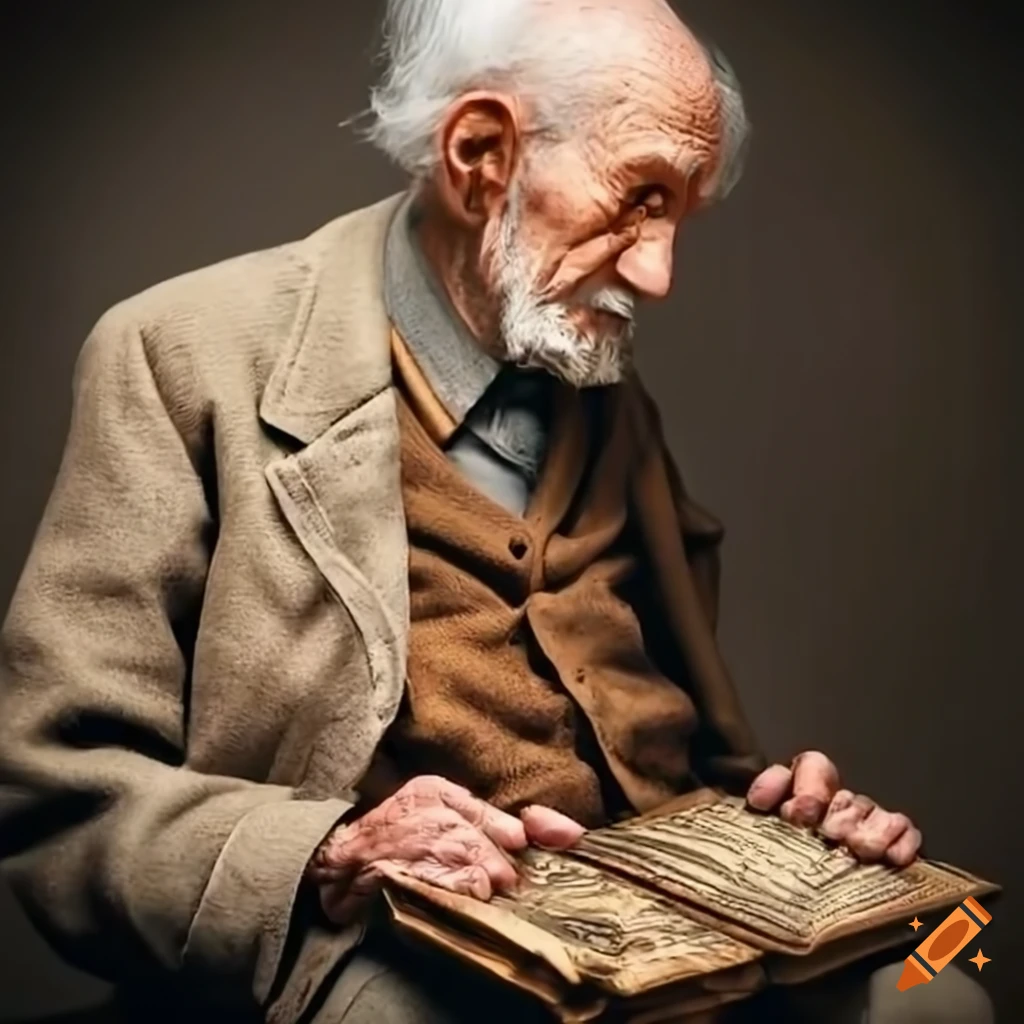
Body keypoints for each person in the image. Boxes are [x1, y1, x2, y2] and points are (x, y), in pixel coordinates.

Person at [0, 1, 993, 1022]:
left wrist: (792, 826)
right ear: (481, 153)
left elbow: (674, 736)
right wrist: (330, 851)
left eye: (679, 215)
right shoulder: (179, 353)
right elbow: (60, 793)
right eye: (635, 200)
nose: (658, 273)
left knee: (942, 985)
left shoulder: (594, 372)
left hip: (662, 930)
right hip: (383, 941)